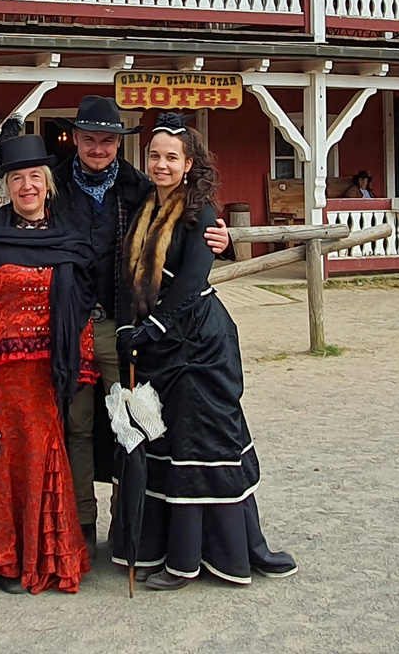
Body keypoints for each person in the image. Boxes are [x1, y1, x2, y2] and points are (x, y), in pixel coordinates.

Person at [0, 96, 230, 542]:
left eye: (107, 140)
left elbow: (182, 219)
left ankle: (131, 526)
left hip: (128, 325)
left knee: (135, 423)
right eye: (90, 140)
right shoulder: (54, 184)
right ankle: (79, 523)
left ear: (118, 144)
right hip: (69, 326)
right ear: (77, 140)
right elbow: (16, 232)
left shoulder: (140, 186)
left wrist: (220, 235)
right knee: (76, 426)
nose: (98, 148)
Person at [111, 112, 296, 590]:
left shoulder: (201, 213)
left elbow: (191, 284)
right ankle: (164, 546)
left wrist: (148, 330)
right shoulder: (144, 208)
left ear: (189, 162)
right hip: (160, 349)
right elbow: (129, 278)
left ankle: (195, 560)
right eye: (154, 155)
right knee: (168, 447)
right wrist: (127, 330)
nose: (161, 164)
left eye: (171, 157)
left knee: (203, 445)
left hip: (197, 346)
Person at [0, 132, 98, 595]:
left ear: (48, 183)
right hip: (1, 375)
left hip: (49, 374)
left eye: (35, 176)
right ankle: (3, 561)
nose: (27, 186)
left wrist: (83, 362)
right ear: (6, 187)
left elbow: (80, 307)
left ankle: (41, 557)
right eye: (18, 179)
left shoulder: (66, 238)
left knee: (42, 462)